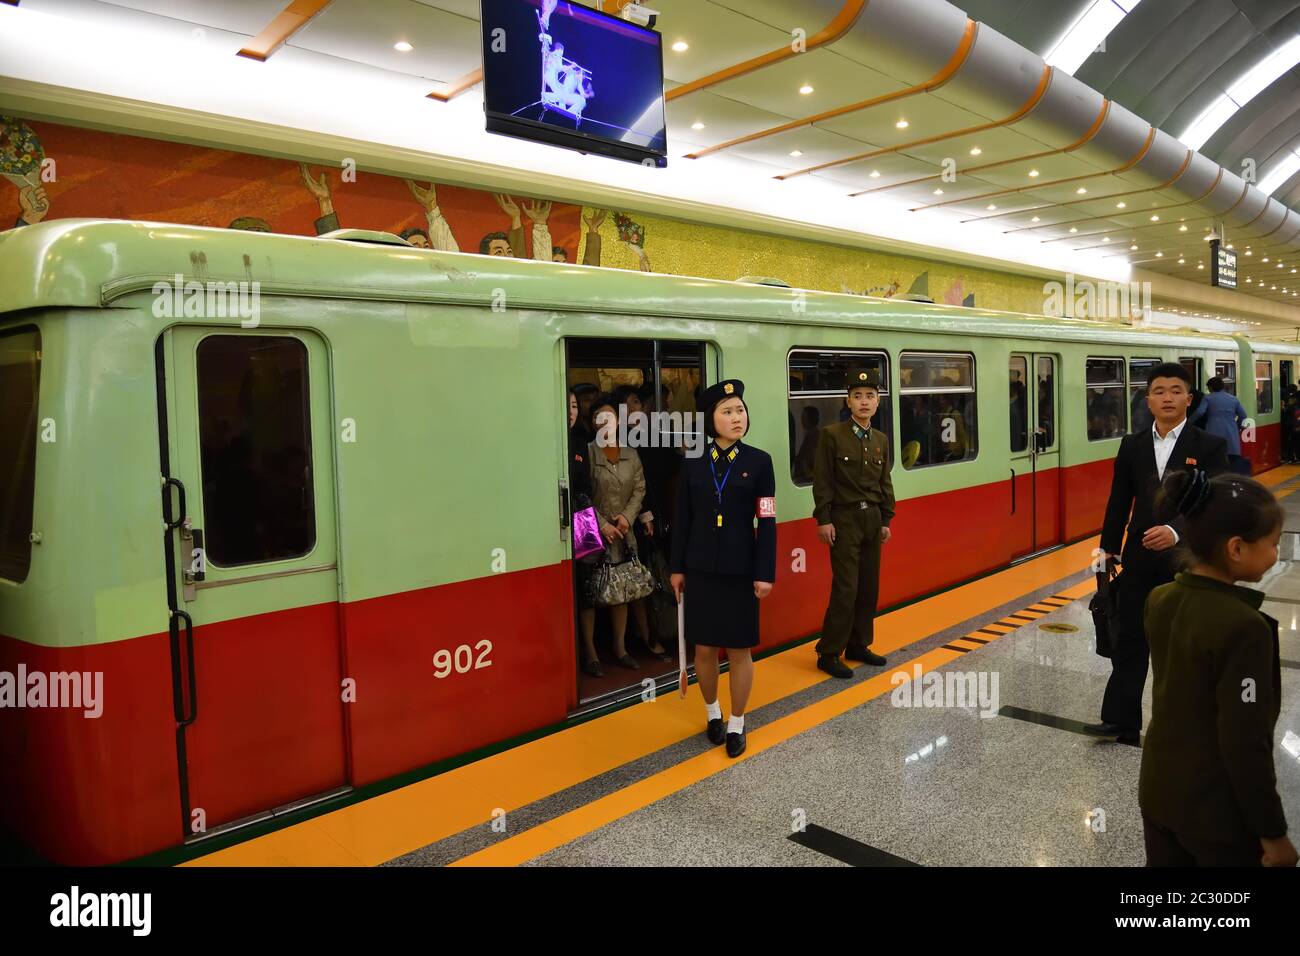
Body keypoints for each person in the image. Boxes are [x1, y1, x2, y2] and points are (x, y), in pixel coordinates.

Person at [1140, 469, 1297, 867]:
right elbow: (1245, 742)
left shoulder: (1160, 598)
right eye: (1273, 543)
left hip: (1159, 791)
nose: (1276, 553)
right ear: (1236, 549)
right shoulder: (1244, 627)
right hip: (1216, 815)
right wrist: (1273, 832)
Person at [1088, 362, 1229, 744]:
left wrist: (1175, 531)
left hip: (1187, 561)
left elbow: (1215, 501)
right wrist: (1107, 551)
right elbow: (1118, 502)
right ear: (1148, 399)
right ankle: (1120, 720)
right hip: (1138, 558)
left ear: (1189, 398)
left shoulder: (1209, 446)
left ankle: (1183, 724)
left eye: (1175, 391)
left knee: (1182, 645)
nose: (1167, 397)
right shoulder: (1132, 445)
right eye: (1159, 391)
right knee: (1130, 637)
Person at [670, 380, 776, 758]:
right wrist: (676, 567)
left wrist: (765, 571)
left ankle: (737, 721)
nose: (737, 418)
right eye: (727, 411)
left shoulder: (759, 462)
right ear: (710, 419)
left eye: (740, 410)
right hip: (699, 569)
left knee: (739, 648)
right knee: (704, 648)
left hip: (740, 569)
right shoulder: (693, 463)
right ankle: (712, 713)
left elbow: (766, 520)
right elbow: (682, 518)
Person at [812, 369, 895, 678]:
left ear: (878, 402)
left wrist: (886, 518)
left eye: (870, 396)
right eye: (858, 396)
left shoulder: (880, 440)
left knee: (868, 586)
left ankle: (859, 645)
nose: (864, 401)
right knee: (846, 588)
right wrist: (824, 519)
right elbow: (822, 481)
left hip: (872, 519)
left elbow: (884, 481)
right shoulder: (831, 435)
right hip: (844, 519)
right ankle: (829, 651)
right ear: (847, 401)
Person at [579, 396, 651, 676]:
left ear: (618, 420)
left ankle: (620, 648)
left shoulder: (631, 453)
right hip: (588, 526)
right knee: (589, 592)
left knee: (620, 590)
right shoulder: (585, 452)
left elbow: (640, 489)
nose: (605, 422)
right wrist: (601, 524)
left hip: (623, 527)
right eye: (599, 418)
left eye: (610, 416)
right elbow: (580, 492)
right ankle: (591, 653)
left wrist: (626, 518)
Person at [1189, 376, 1249, 474]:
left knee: (1214, 464)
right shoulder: (1233, 399)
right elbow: (1244, 416)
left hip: (1213, 433)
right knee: (1231, 464)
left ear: (1211, 388)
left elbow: (1200, 412)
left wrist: (1188, 423)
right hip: (1231, 435)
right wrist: (1237, 427)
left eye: (1208, 388)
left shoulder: (1208, 398)